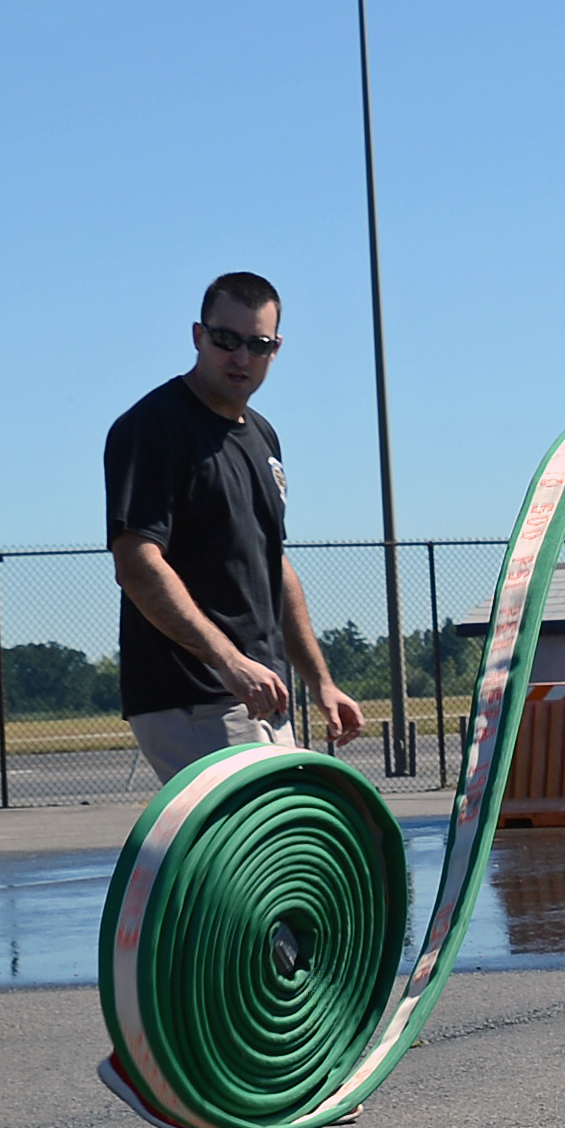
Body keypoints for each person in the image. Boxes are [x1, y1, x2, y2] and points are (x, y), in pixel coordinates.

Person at [104, 272, 363, 786]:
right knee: (252, 854)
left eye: (258, 345)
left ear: (276, 348)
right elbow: (136, 564)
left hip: (260, 690)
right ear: (198, 336)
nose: (240, 358)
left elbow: (272, 564)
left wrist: (320, 682)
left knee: (272, 851)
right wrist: (228, 661)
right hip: (195, 694)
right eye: (226, 340)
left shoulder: (262, 435)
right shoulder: (153, 427)